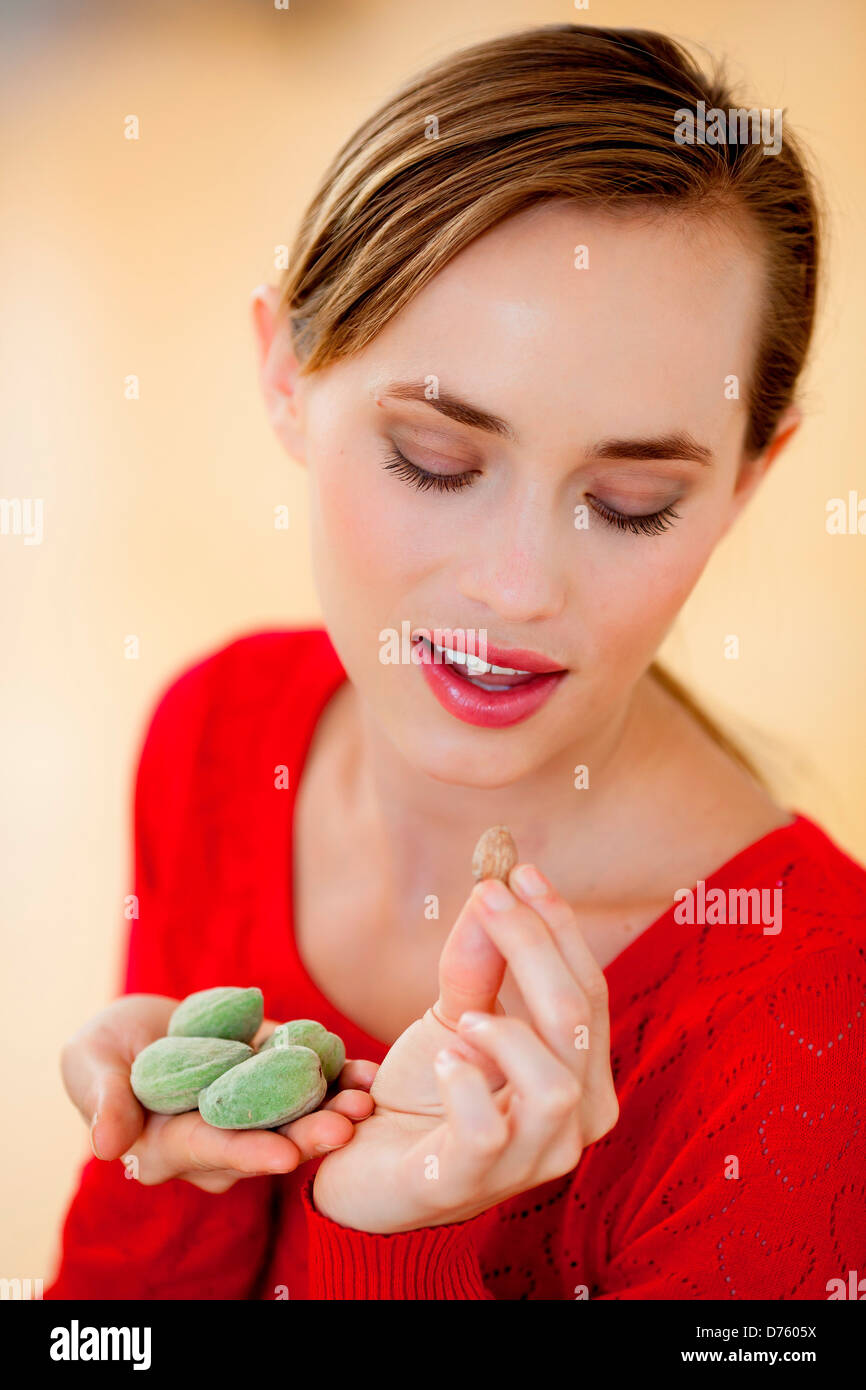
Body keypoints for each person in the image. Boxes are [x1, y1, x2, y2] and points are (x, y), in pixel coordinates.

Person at [45, 24, 865, 1301]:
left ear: (749, 482)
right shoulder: (220, 730)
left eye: (633, 497)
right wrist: (165, 1178)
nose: (516, 588)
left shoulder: (812, 1045)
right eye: (434, 459)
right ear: (283, 373)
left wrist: (397, 1240)